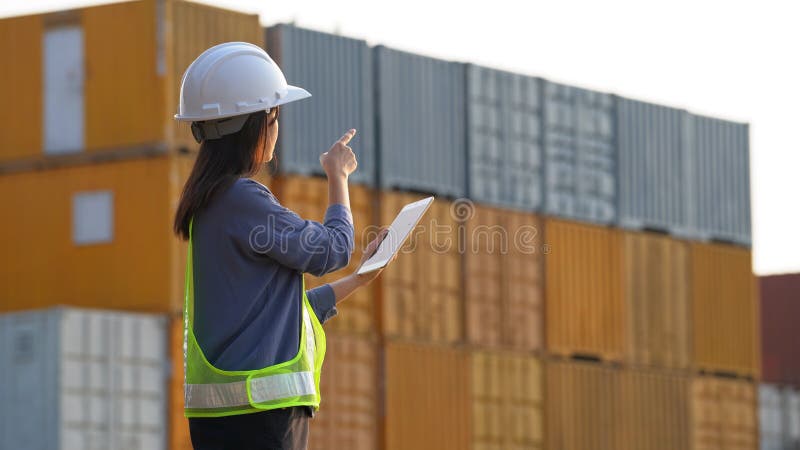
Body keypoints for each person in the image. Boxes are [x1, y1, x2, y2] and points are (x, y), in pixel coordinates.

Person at [172, 42, 392, 450]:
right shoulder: (243, 200)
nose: (278, 128)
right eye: (275, 116)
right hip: (261, 420)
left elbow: (277, 310)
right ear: (258, 124)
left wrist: (360, 280)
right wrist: (337, 174)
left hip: (227, 422)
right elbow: (333, 249)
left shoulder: (210, 207)